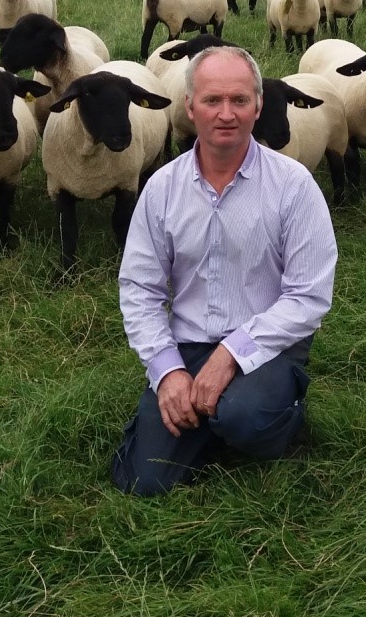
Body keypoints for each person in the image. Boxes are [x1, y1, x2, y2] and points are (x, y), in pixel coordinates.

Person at [111, 45, 337, 495]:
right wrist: (168, 371)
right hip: (189, 344)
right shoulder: (162, 189)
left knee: (244, 416)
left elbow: (308, 297)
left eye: (239, 100)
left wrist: (231, 354)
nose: (226, 114)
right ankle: (207, 418)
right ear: (190, 107)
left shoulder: (294, 186)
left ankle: (270, 414)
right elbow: (139, 288)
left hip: (268, 346)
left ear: (259, 105)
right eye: (212, 100)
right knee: (143, 481)